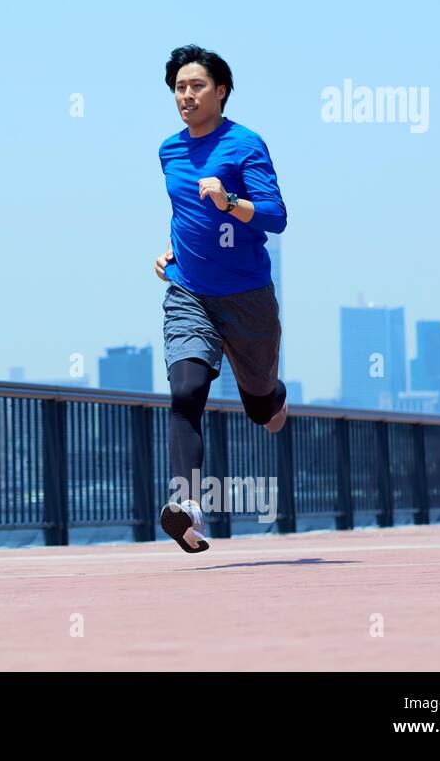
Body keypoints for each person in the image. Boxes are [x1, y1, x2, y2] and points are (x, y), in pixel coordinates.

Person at [154, 45, 289, 553]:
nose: (186, 96)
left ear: (221, 91)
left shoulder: (245, 145)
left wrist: (229, 202)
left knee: (260, 410)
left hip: (247, 297)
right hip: (189, 290)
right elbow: (186, 213)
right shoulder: (169, 149)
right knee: (186, 389)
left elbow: (275, 217)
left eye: (196, 86)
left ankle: (273, 395)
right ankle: (186, 507)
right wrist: (173, 248)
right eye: (179, 88)